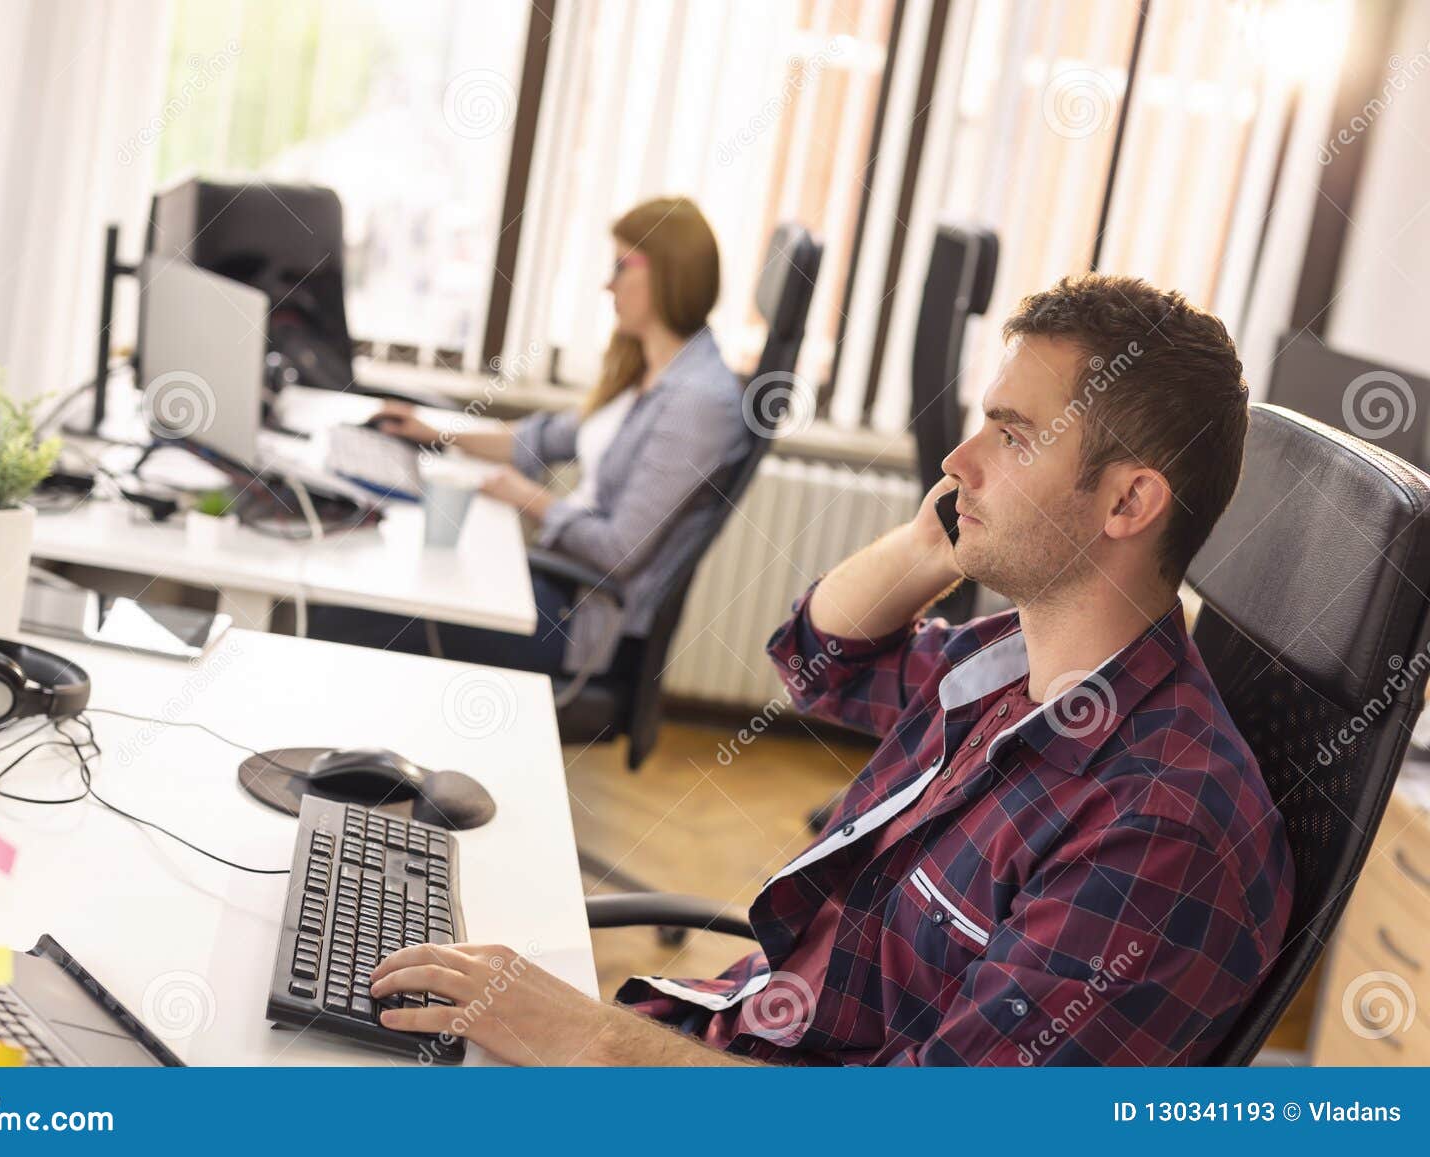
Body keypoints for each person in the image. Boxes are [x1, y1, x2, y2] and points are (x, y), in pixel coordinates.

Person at [366, 273, 1295, 1066]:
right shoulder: (1005, 670)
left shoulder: (1162, 830)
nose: (956, 459)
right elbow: (817, 660)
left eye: (1012, 435)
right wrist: (942, 542)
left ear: (1129, 499)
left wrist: (587, 1040)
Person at [310, 196, 750, 677]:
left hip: (577, 622)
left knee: (350, 610)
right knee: (370, 583)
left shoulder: (699, 402)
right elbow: (541, 439)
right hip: (552, 582)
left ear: (668, 273)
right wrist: (437, 431)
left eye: (622, 266)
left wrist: (527, 497)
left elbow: (619, 551)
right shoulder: (645, 369)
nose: (608, 284)